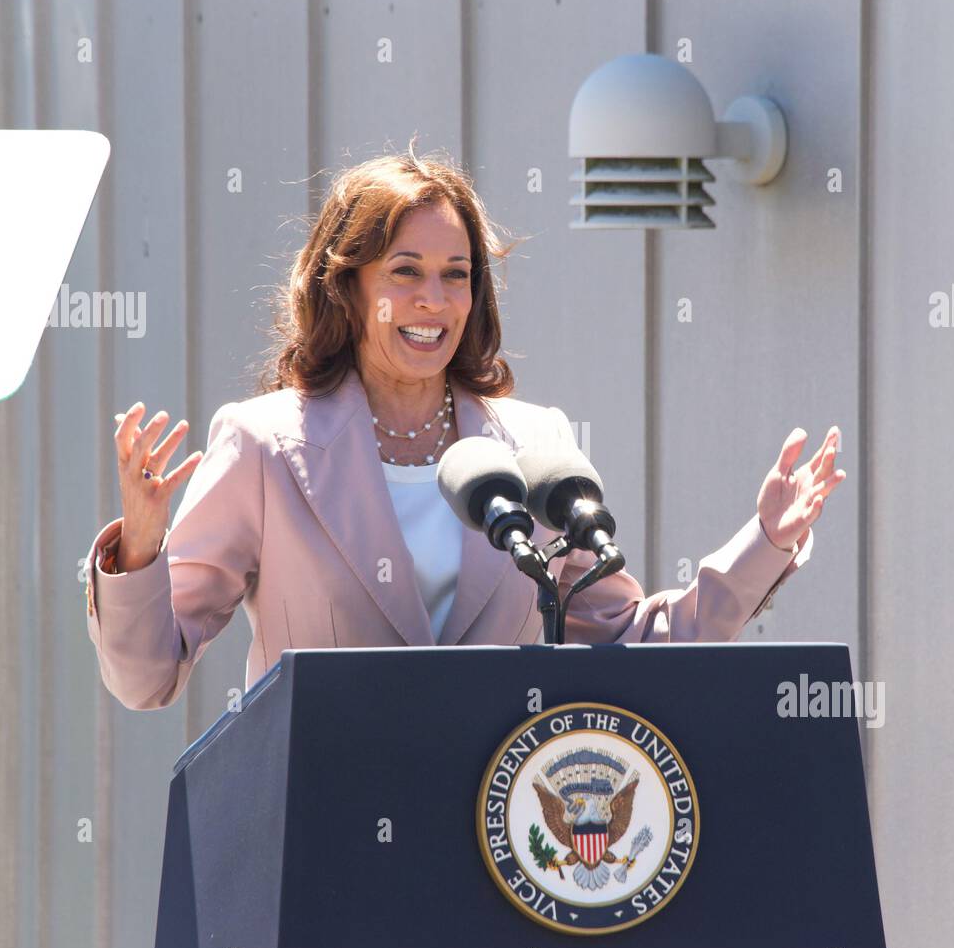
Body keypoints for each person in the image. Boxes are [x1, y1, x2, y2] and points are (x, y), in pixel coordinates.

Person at [84, 145, 845, 711]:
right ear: (348, 289)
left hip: (499, 857)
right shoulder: (263, 446)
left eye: (457, 275)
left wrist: (766, 540)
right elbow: (147, 677)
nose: (434, 300)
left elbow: (635, 645)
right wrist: (142, 550)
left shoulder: (534, 446)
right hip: (325, 849)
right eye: (405, 272)